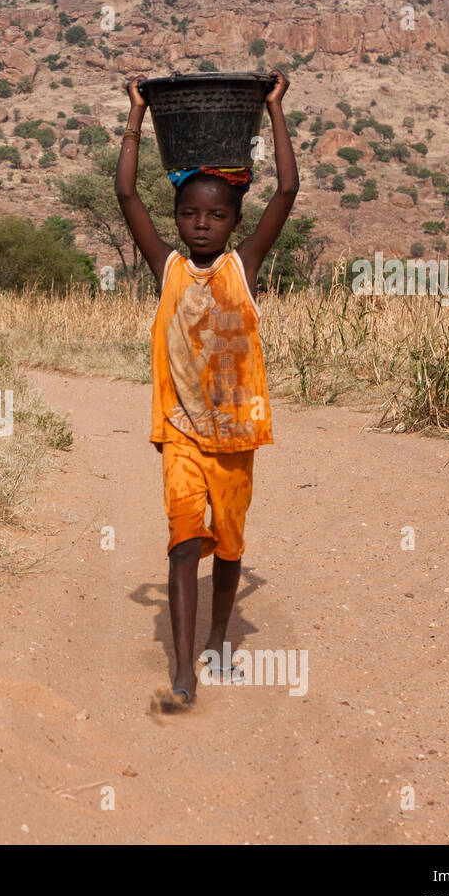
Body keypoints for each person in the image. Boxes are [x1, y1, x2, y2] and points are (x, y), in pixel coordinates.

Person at [113, 69, 298, 712]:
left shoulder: (242, 268)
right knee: (185, 540)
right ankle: (184, 671)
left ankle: (219, 638)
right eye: (190, 214)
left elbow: (288, 190)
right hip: (181, 432)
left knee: (229, 546)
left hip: (237, 432)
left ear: (232, 221)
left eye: (216, 215)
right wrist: (136, 115)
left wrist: (274, 108)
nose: (201, 225)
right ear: (177, 218)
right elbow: (127, 196)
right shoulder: (165, 267)